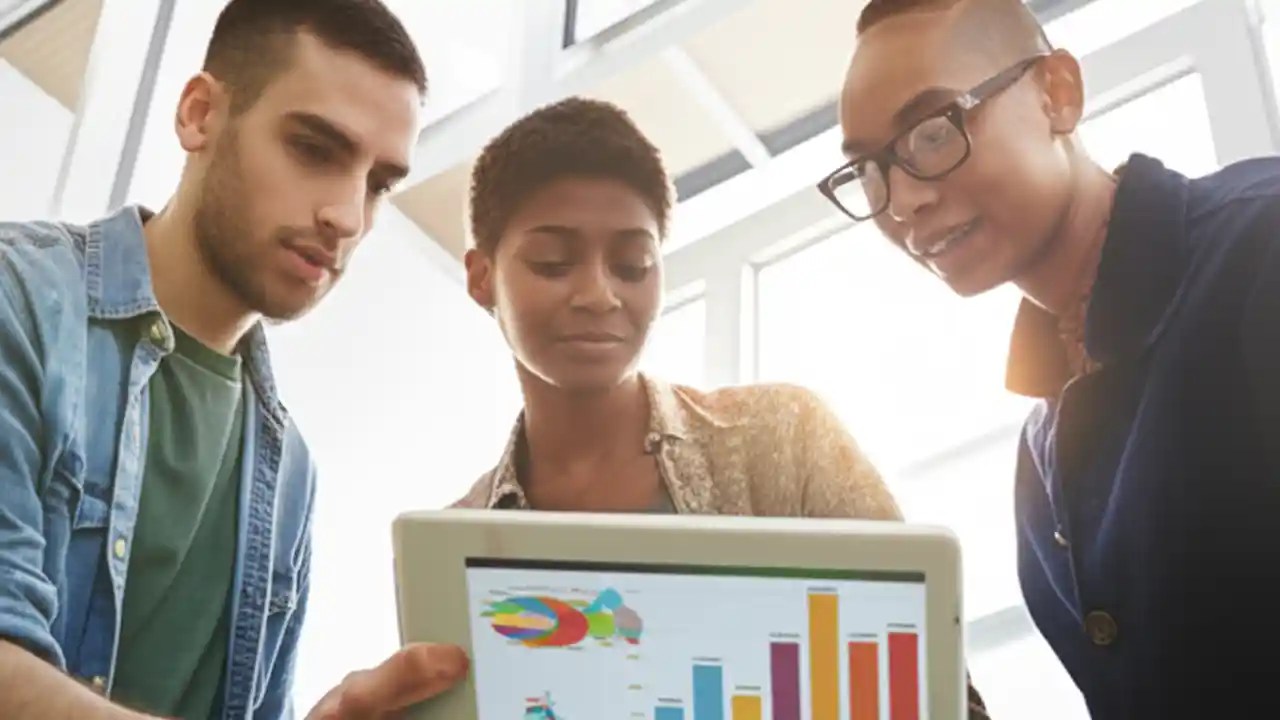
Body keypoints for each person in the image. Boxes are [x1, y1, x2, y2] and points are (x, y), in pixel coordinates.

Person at [451, 96, 991, 718]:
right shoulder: (458, 536)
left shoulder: (784, 438)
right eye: (553, 263)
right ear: (481, 277)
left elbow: (945, 696)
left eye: (633, 265)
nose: (599, 295)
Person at [0, 0, 466, 717]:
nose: (346, 215)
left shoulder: (290, 475)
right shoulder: (19, 301)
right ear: (199, 115)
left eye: (378, 184)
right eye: (315, 148)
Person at [828, 0, 1280, 717]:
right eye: (869, 171)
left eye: (934, 132)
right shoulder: (1041, 455)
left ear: (1056, 94)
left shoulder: (1261, 244)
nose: (903, 200)